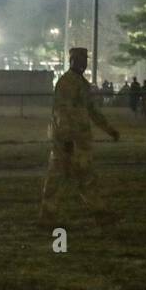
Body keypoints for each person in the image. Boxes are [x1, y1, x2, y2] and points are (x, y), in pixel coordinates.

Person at [38, 47, 119, 227]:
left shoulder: (81, 83)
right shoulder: (67, 83)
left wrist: (109, 129)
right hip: (67, 142)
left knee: (85, 178)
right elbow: (61, 112)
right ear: (72, 60)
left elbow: (92, 110)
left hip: (79, 142)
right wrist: (66, 138)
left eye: (85, 60)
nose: (84, 63)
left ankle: (100, 214)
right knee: (58, 179)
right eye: (81, 59)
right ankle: (48, 217)